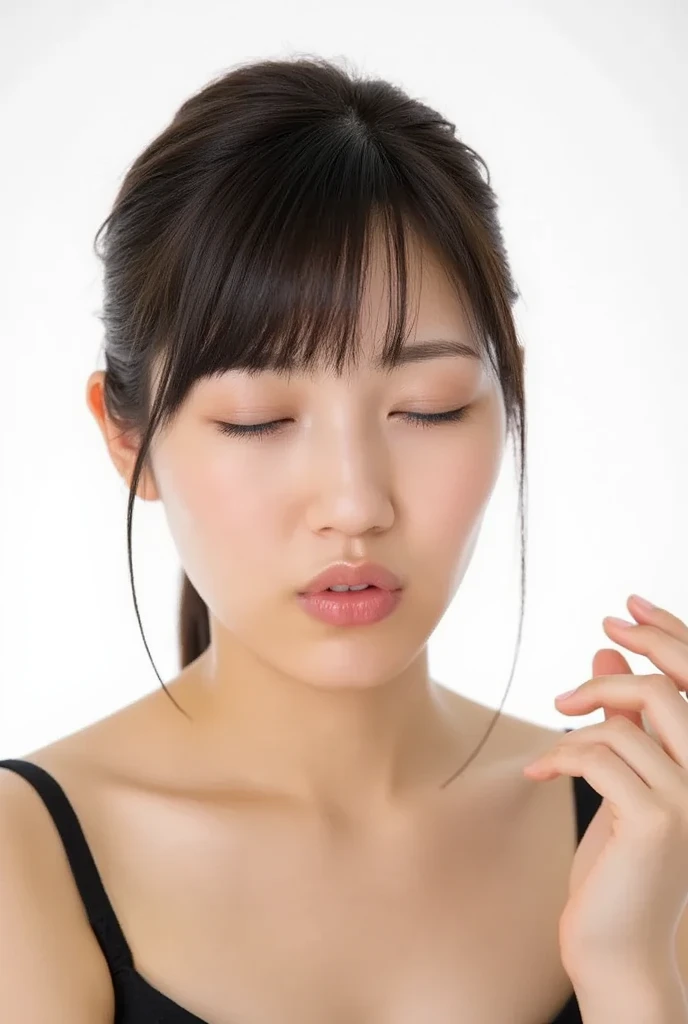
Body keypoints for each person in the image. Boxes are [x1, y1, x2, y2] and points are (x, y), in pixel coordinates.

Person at [0, 55, 607, 1023]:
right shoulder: (25, 858)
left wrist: (640, 980)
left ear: (511, 400)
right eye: (257, 420)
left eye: (428, 407)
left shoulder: (636, 833)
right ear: (130, 441)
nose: (356, 503)